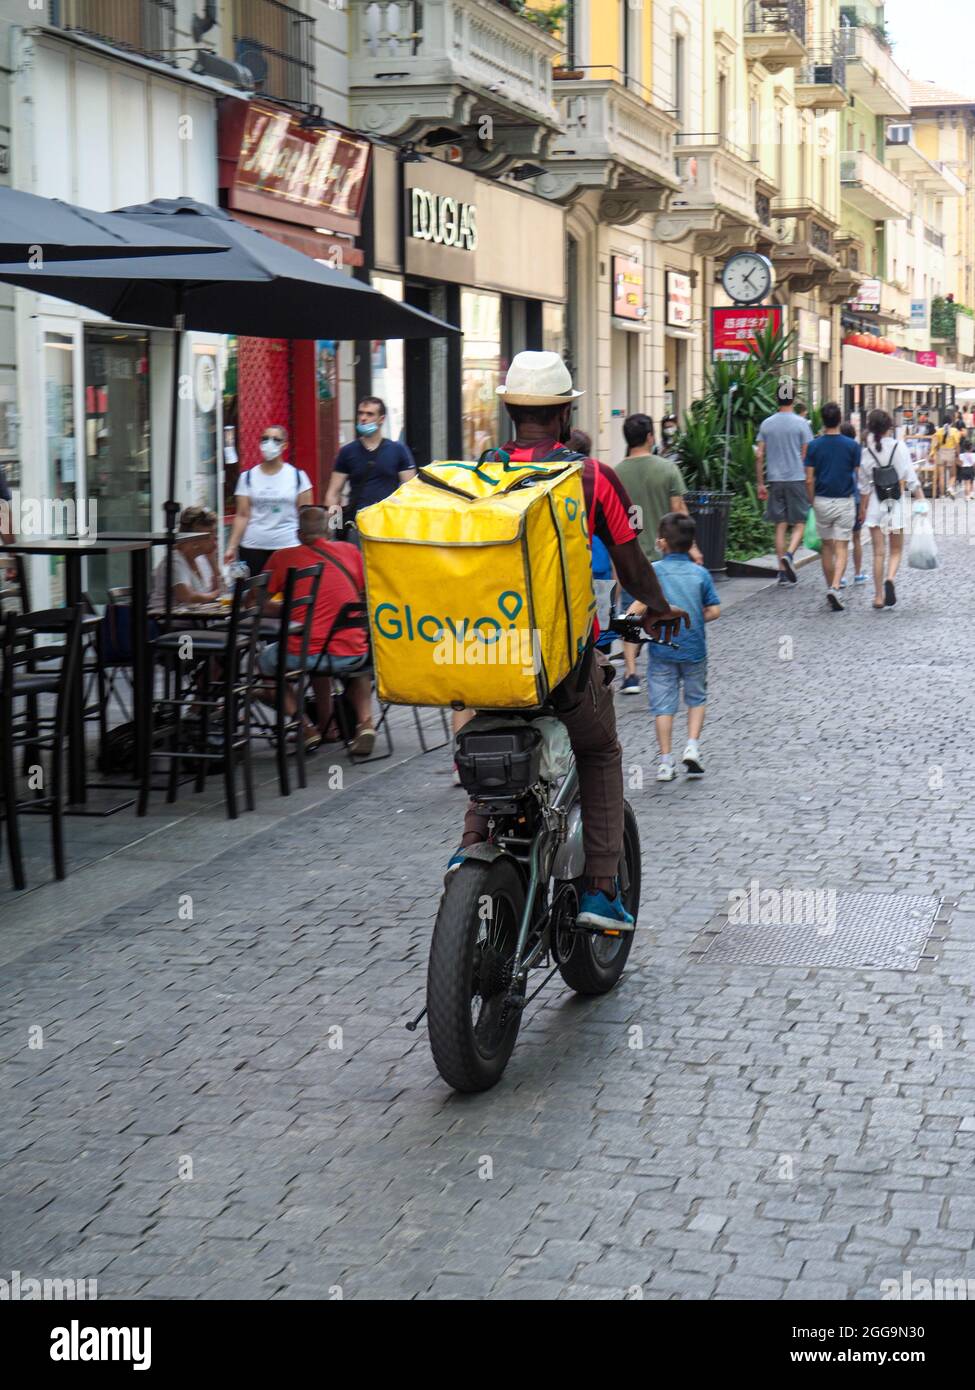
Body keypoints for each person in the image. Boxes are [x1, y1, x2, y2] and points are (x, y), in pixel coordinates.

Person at [452, 351, 687, 934]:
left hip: (491, 652)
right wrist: (658, 609)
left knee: (492, 736)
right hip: (562, 664)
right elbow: (631, 566)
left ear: (508, 409)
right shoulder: (589, 477)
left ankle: (471, 843)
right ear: (563, 413)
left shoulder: (482, 472)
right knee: (601, 752)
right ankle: (602, 891)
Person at [259, 506, 375, 758]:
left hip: (307, 651)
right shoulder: (351, 552)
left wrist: (290, 609)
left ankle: (305, 727)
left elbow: (256, 604)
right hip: (350, 650)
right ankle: (364, 723)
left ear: (299, 534)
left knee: (265, 661)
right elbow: (365, 594)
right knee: (360, 665)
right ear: (328, 531)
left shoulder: (282, 557)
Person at [630, 512, 720, 782]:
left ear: (662, 543)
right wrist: (693, 616)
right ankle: (692, 746)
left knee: (663, 706)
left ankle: (665, 762)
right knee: (696, 698)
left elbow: (636, 608)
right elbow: (714, 610)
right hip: (694, 648)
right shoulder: (700, 574)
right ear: (690, 543)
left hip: (661, 650)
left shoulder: (654, 572)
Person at [614, 412, 694, 694]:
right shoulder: (667, 469)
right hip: (664, 556)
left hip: (629, 557)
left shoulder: (616, 473)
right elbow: (678, 511)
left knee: (629, 615)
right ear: (650, 437)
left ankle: (631, 674)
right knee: (666, 611)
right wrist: (692, 548)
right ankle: (670, 669)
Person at [859, 408, 927, 610]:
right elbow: (912, 479)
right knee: (896, 549)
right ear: (890, 426)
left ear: (870, 428)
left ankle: (878, 596)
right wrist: (921, 503)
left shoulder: (866, 453)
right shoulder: (900, 447)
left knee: (878, 553)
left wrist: (862, 509)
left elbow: (863, 487)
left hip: (874, 506)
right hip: (895, 504)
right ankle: (890, 578)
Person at [224, 425, 313, 576]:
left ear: (284, 445)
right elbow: (242, 514)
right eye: (265, 439)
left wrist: (311, 546)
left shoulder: (298, 477)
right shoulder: (248, 477)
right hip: (253, 547)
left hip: (288, 545)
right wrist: (232, 546)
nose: (269, 443)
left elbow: (306, 514)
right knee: (254, 594)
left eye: (276, 440)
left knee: (288, 594)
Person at [326, 396, 416, 540]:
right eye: (360, 413)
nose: (363, 418)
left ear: (381, 419)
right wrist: (334, 529)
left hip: (388, 525)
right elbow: (333, 493)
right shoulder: (347, 452)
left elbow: (411, 490)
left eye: (369, 414)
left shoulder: (398, 450)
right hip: (356, 525)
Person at [755, 382, 814, 583]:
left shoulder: (767, 424)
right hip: (796, 478)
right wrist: (809, 480)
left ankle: (781, 570)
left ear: (777, 398)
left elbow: (759, 455)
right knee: (800, 522)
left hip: (774, 478)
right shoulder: (802, 424)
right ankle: (789, 555)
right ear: (793, 399)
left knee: (779, 524)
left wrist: (760, 483)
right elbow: (807, 455)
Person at [805, 402, 861, 611]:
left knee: (826, 547)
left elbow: (808, 479)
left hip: (821, 500)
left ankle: (831, 586)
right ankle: (836, 586)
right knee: (842, 546)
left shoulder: (814, 445)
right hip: (844, 500)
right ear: (840, 420)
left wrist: (811, 500)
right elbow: (856, 475)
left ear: (823, 420)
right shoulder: (852, 446)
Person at [148, 506, 220, 614]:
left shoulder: (200, 560)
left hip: (194, 622)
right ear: (194, 538)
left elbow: (219, 591)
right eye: (210, 534)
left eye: (215, 533)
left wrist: (212, 562)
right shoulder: (174, 561)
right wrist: (214, 595)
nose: (216, 538)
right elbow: (186, 596)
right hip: (169, 624)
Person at [838, 421, 867, 588]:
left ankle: (840, 577)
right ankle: (857, 574)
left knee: (840, 541)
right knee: (856, 538)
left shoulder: (837, 450)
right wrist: (864, 505)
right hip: (854, 498)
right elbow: (862, 479)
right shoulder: (857, 450)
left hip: (840, 496)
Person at [933, 416, 962, 499]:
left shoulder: (938, 431)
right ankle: (949, 488)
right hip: (951, 453)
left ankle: (942, 495)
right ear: (951, 423)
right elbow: (957, 445)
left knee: (941, 476)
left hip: (941, 453)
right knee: (953, 475)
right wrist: (958, 455)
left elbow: (936, 445)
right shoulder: (954, 431)